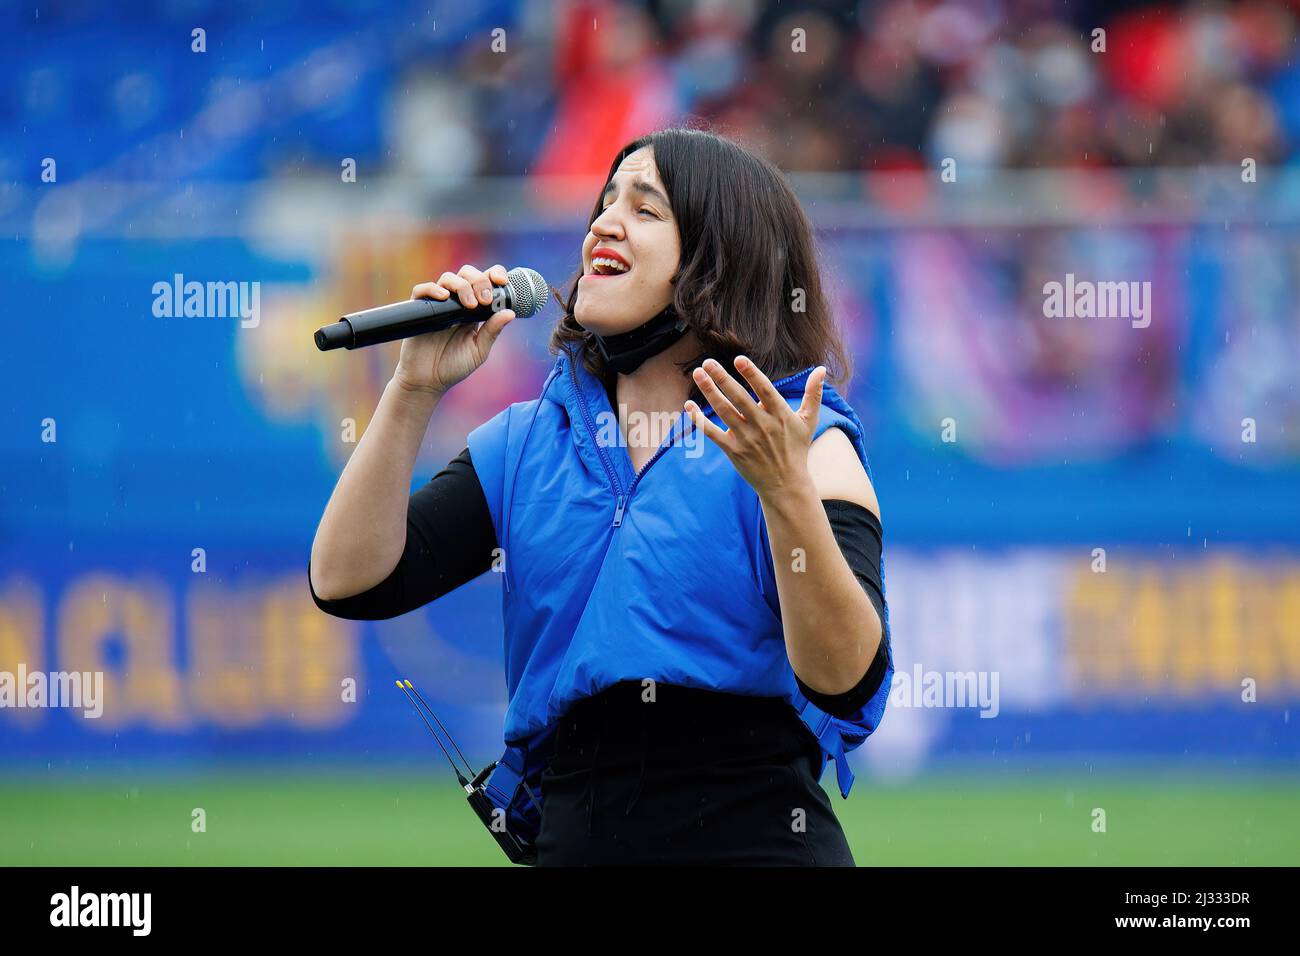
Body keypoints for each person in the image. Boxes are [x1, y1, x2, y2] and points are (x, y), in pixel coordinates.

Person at [308, 127, 893, 866]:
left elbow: (847, 682)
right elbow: (348, 580)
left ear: (722, 257)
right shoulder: (524, 442)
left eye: (646, 211)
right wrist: (412, 389)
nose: (605, 223)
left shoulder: (801, 441)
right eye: (605, 202)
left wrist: (785, 496)